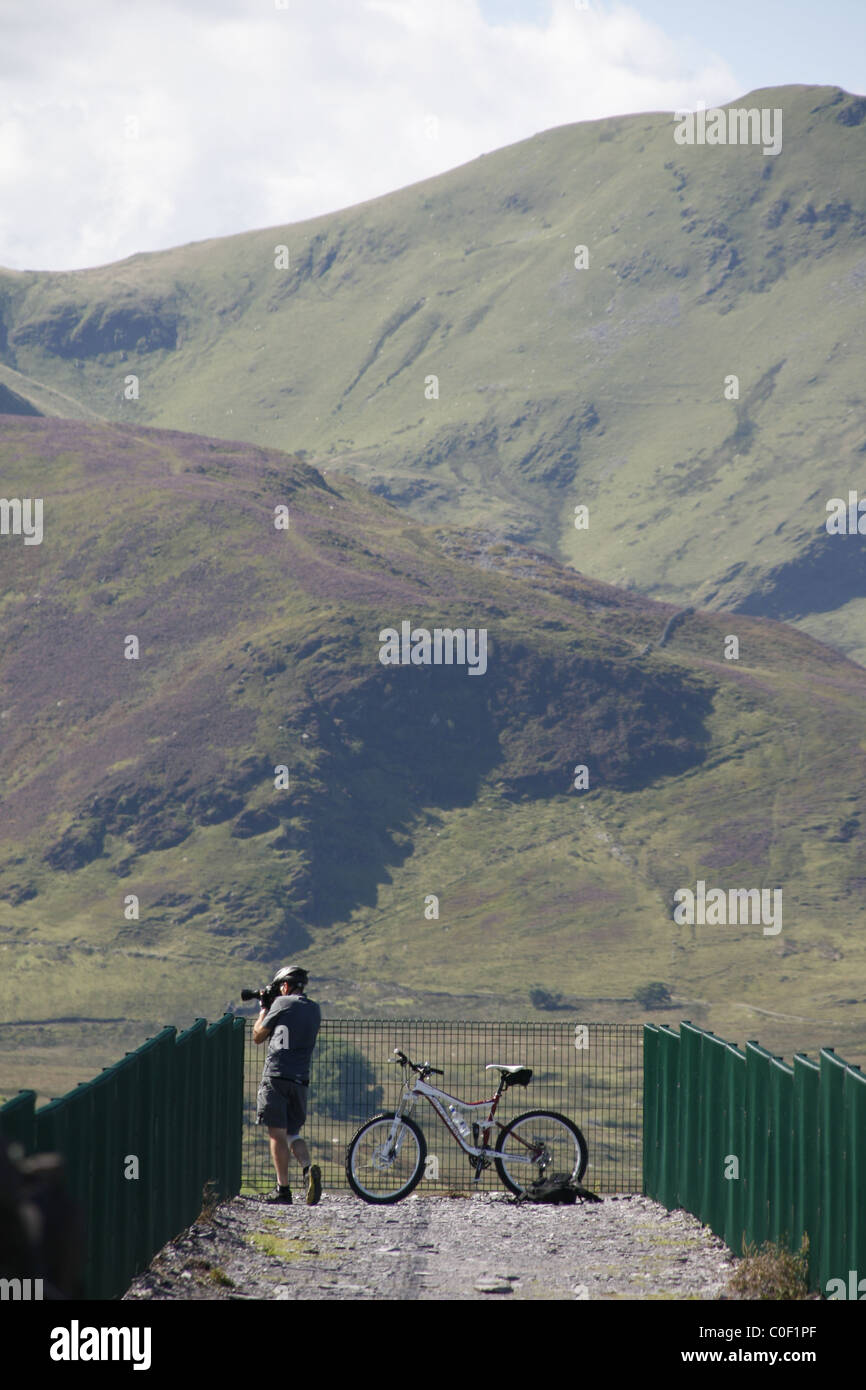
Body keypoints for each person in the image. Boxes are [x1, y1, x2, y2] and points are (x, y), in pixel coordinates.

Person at [252, 964, 322, 1205]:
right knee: (293, 1133)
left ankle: (283, 1190)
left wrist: (263, 1008)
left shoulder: (280, 1004)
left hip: (277, 1077)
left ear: (285, 985)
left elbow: (258, 1036)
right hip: (300, 1080)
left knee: (277, 1134)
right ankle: (307, 1167)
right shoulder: (315, 1009)